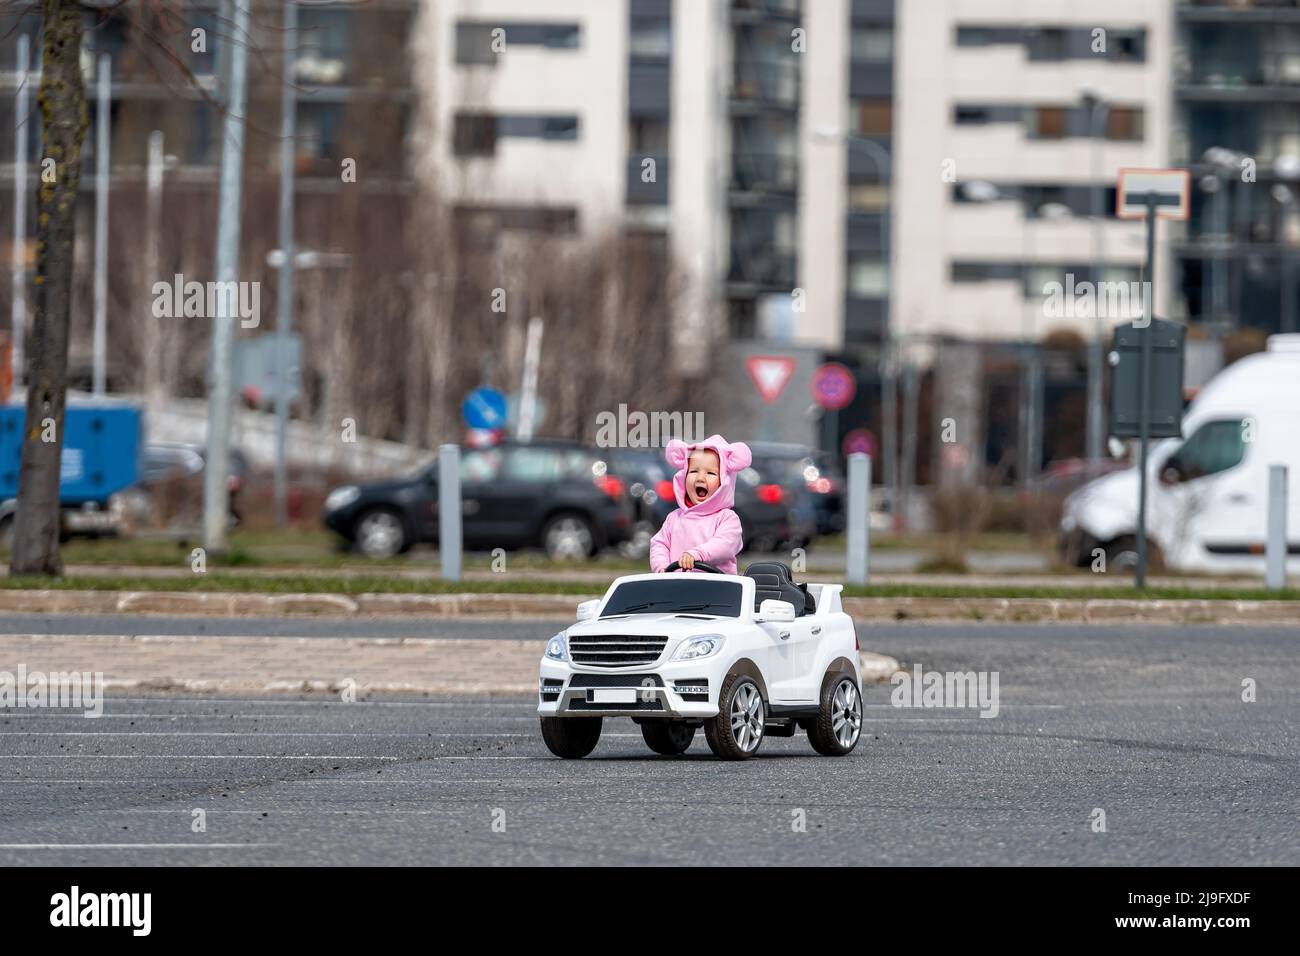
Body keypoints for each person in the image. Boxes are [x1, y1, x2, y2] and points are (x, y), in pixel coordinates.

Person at [649, 434, 752, 575]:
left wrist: (698, 554)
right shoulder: (674, 518)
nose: (700, 478)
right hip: (677, 587)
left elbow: (725, 544)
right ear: (684, 476)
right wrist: (661, 566)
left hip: (717, 590)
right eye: (693, 471)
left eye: (710, 473)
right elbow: (660, 544)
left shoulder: (727, 518)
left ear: (724, 482)